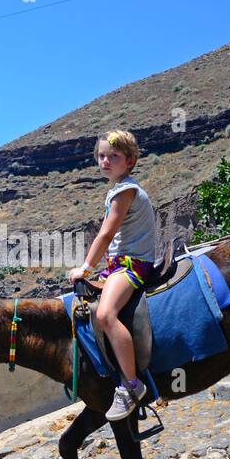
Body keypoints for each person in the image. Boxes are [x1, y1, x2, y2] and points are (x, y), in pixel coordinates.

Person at [69, 129, 160, 422]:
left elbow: (106, 234)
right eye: (101, 156)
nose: (105, 161)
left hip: (132, 265)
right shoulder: (118, 188)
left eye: (113, 156)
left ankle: (132, 386)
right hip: (119, 263)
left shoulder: (125, 191)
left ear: (130, 161)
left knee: (106, 315)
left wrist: (85, 268)